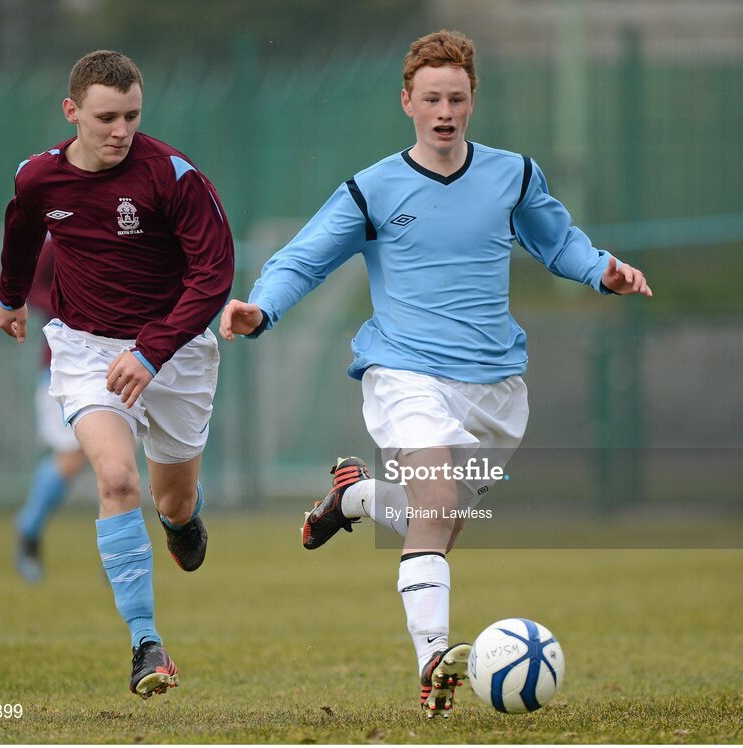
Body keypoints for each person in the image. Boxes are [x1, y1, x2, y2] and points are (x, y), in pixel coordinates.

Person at [220, 29, 652, 717]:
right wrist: (260, 308)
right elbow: (303, 258)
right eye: (431, 98)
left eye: (455, 97)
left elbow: (557, 240)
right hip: (405, 374)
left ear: (472, 100)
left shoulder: (512, 175)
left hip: (496, 388)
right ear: (407, 102)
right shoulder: (372, 189)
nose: (444, 110)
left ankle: (354, 498)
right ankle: (433, 662)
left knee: (438, 520)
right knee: (438, 506)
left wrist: (602, 269)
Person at [0, 50, 235, 699]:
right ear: (72, 112)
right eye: (105, 117)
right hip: (88, 350)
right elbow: (21, 227)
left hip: (175, 352)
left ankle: (183, 521)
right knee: (116, 476)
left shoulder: (173, 177)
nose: (119, 130)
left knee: (172, 500)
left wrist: (153, 350)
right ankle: (145, 644)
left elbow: (214, 276)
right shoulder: (40, 178)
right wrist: (11, 294)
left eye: (131, 115)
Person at [14, 237, 89, 584]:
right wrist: (69, 308)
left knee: (114, 465)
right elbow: (28, 285)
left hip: (117, 362)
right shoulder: (56, 232)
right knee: (72, 455)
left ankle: (121, 559)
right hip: (62, 366)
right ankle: (28, 529)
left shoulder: (122, 217)